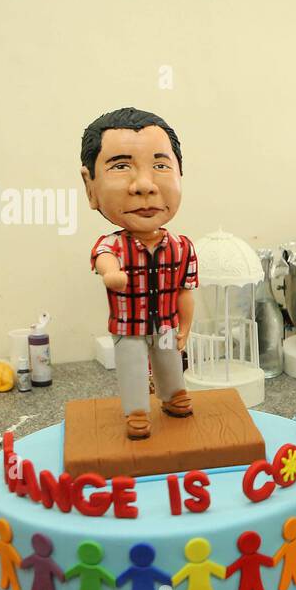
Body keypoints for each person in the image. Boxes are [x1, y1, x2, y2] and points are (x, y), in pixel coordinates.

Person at [82, 107, 198, 441]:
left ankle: (174, 395)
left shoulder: (181, 246)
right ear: (90, 186)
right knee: (133, 369)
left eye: (161, 165)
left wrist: (185, 325)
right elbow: (103, 259)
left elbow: (185, 290)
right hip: (129, 328)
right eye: (120, 166)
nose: (144, 185)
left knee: (169, 360)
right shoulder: (112, 245)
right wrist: (111, 274)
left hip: (165, 323)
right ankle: (136, 412)